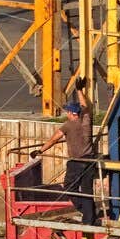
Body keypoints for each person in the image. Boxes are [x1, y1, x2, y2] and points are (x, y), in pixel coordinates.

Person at [41, 78, 97, 224]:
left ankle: (84, 210)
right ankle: (89, 218)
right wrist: (79, 91)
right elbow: (85, 106)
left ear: (72, 113)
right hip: (90, 160)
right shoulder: (86, 120)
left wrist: (40, 151)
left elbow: (53, 140)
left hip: (76, 162)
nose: (66, 113)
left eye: (67, 111)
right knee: (87, 190)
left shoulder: (68, 125)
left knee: (69, 187)